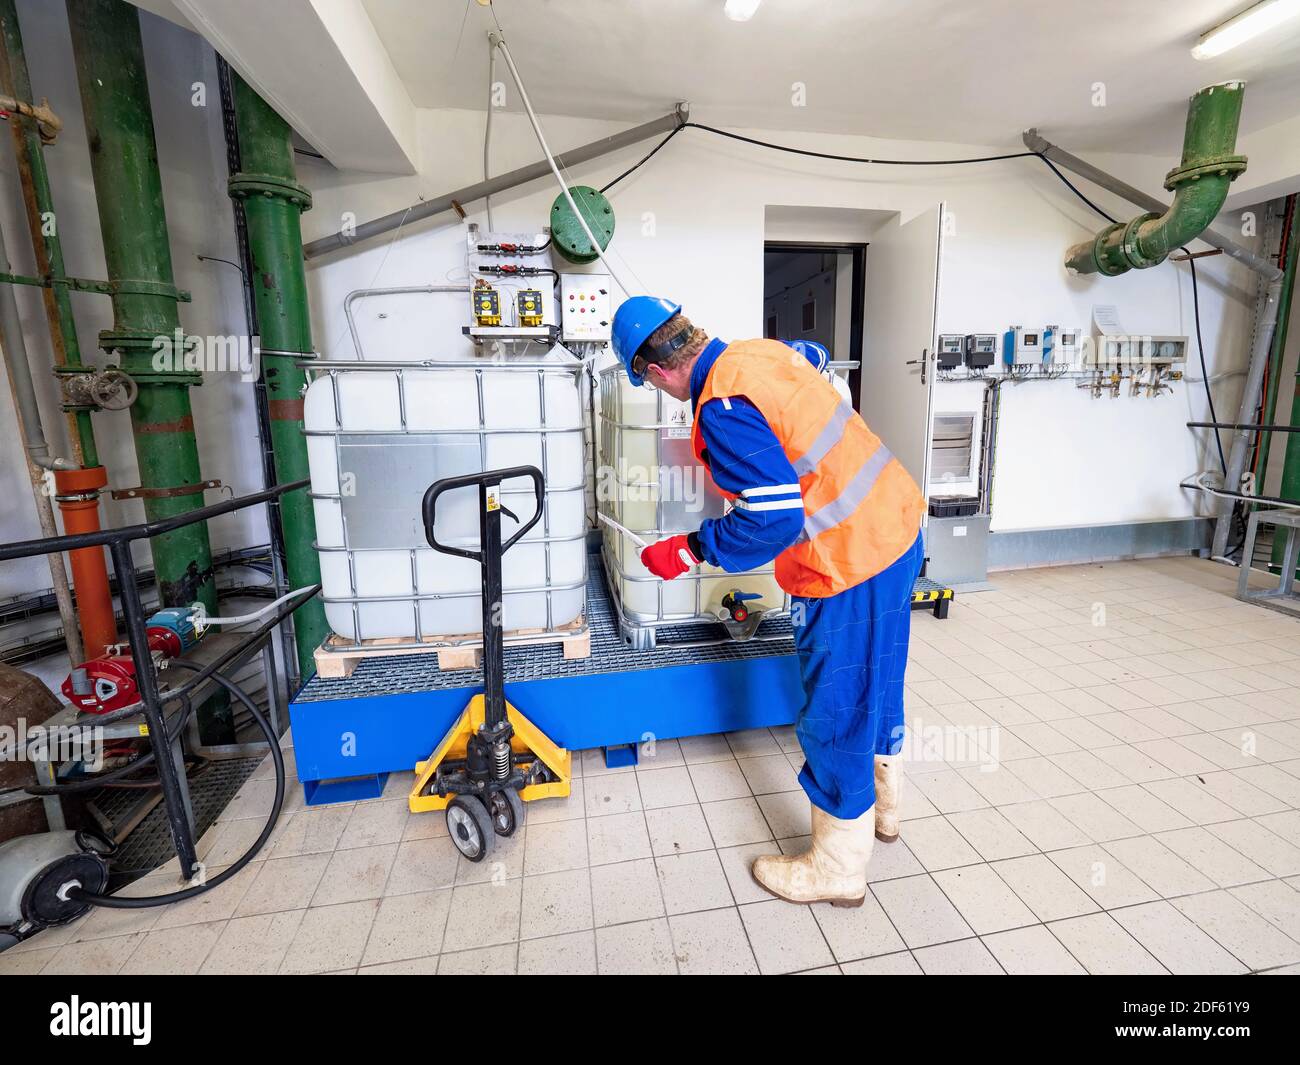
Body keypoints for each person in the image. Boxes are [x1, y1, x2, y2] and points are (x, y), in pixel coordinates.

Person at [610, 296, 925, 908]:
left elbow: (773, 518)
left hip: (847, 560)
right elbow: (815, 358)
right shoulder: (763, 352)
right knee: (879, 681)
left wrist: (690, 549)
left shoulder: (721, 408)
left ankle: (838, 868)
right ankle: (884, 811)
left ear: (652, 372)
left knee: (836, 705)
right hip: (898, 524)